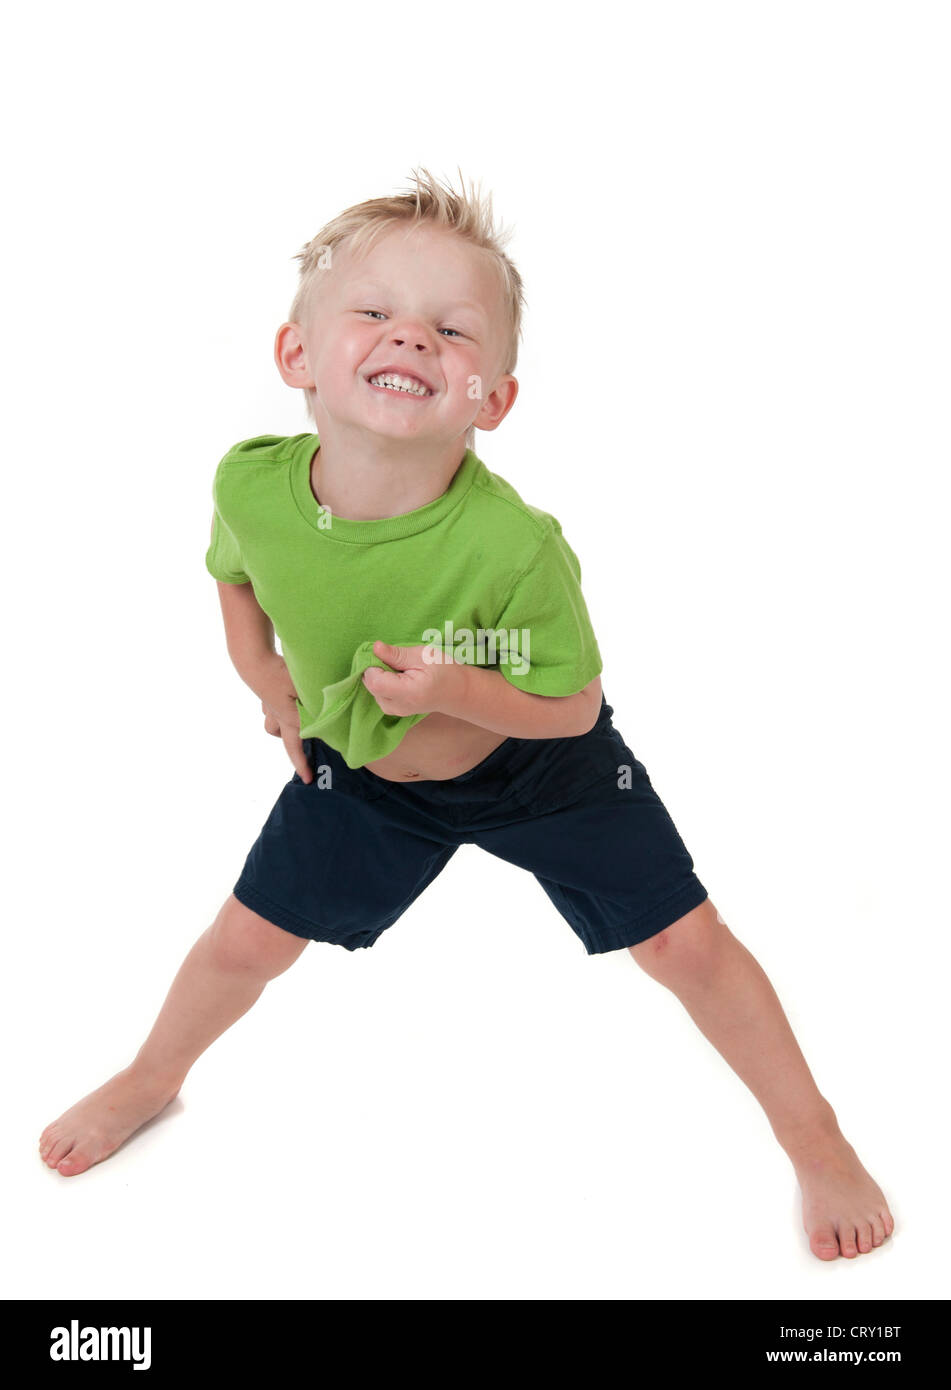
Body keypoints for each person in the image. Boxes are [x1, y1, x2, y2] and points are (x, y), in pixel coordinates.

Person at [38, 168, 893, 1262]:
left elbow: (571, 698)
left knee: (689, 942)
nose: (412, 338)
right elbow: (235, 576)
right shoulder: (253, 487)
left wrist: (458, 688)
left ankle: (815, 1137)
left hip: (545, 766)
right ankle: (151, 1077)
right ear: (297, 356)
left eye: (451, 328)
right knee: (244, 939)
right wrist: (267, 683)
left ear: (493, 396)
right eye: (376, 313)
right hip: (370, 769)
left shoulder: (515, 546)